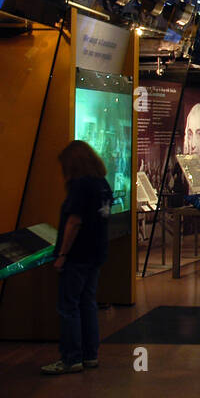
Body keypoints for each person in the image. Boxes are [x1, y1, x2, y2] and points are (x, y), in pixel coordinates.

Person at [42, 140, 113, 374]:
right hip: (96, 253)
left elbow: (74, 221)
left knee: (68, 306)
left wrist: (62, 254)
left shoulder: (80, 185)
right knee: (88, 303)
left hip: (78, 255)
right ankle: (90, 355)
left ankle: (71, 358)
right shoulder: (102, 184)